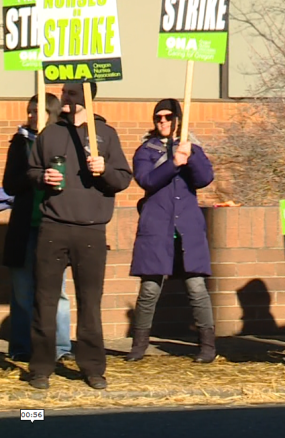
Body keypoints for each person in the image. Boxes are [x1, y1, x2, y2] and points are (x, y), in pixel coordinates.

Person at [26, 82, 133, 390]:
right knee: (44, 301)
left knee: (90, 303)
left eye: (71, 92)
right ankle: (41, 368)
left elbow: (122, 179)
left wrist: (105, 170)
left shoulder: (106, 134)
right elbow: (30, 171)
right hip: (53, 227)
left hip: (91, 229)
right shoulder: (49, 133)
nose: (65, 97)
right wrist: (42, 176)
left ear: (87, 96)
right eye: (64, 92)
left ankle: (93, 368)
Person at [125, 99, 217, 363]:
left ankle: (208, 346)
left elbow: (204, 178)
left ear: (178, 120)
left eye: (168, 117)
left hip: (187, 228)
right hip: (157, 227)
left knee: (196, 287)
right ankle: (139, 345)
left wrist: (190, 156)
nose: (163, 121)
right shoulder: (146, 150)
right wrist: (173, 162)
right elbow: (147, 179)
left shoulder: (192, 147)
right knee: (150, 289)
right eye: (159, 117)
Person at [3, 94, 72, 363]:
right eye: (29, 111)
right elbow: (10, 184)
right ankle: (21, 347)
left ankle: (60, 347)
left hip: (52, 225)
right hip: (24, 226)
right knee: (23, 290)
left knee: (58, 291)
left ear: (51, 113)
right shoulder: (20, 142)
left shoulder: (63, 139)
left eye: (38, 110)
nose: (32, 115)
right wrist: (36, 176)